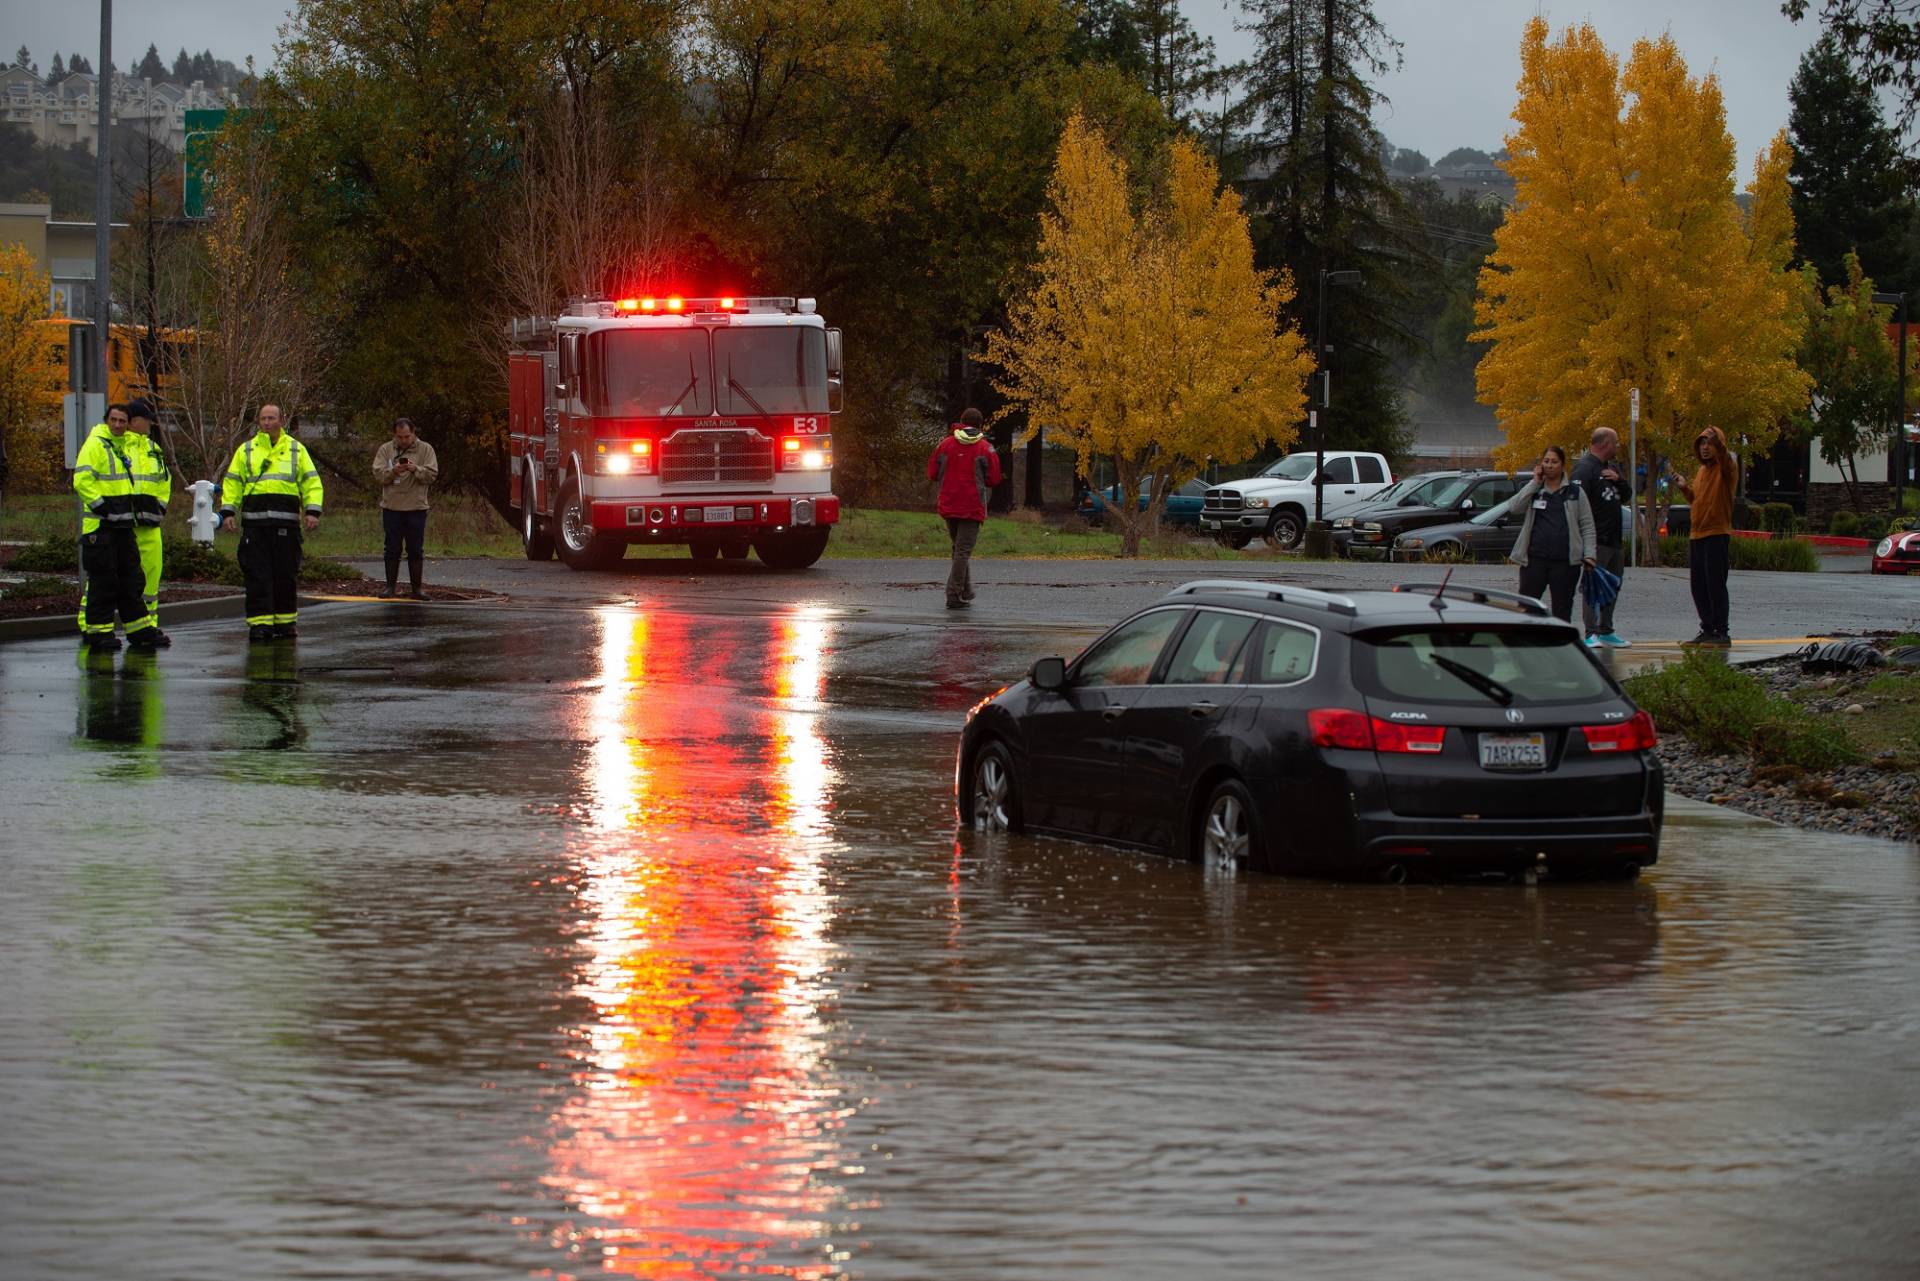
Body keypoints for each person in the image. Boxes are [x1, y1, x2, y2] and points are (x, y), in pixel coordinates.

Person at [219, 404, 324, 642]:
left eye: (271, 418)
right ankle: (260, 625)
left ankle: (286, 623)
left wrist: (312, 511)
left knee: (286, 575)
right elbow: (233, 482)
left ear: (281, 420)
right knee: (257, 576)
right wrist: (228, 512)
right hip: (255, 527)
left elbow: (311, 482)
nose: (267, 422)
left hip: (286, 525)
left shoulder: (296, 450)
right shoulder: (246, 451)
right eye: (263, 418)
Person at [72, 403, 154, 651]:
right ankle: (99, 633)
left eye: (122, 421)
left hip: (123, 525)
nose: (118, 424)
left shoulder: (124, 446)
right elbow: (82, 480)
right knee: (103, 581)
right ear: (106, 420)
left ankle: (139, 630)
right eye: (114, 420)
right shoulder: (96, 444)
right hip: (100, 527)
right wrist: (102, 508)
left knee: (131, 579)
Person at [1497, 444, 1596, 623]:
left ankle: (1560, 646)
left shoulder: (1575, 492)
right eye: (1546, 461)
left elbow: (1587, 526)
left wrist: (1589, 554)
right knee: (1527, 608)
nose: (1549, 465)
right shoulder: (1535, 489)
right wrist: (1534, 482)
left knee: (1562, 609)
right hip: (1534, 560)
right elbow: (1514, 507)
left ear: (1563, 465)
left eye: (1554, 462)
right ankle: (1526, 645)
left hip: (1565, 563)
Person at [927, 407, 1001, 609]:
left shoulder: (945, 445)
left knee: (958, 549)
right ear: (980, 425)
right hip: (972, 505)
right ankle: (953, 593)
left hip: (948, 504)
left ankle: (965, 590)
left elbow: (932, 472)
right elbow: (994, 478)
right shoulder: (985, 448)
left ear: (961, 421)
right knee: (962, 551)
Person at [1674, 425, 1737, 647]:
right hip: (1697, 534)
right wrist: (1684, 489)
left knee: (1715, 584)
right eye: (1701, 443)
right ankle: (1707, 629)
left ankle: (1722, 632)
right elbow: (1697, 502)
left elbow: (1726, 458)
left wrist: (1718, 442)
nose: (1705, 448)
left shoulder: (1726, 468)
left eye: (1709, 443)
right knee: (1698, 585)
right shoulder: (1701, 472)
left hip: (1717, 533)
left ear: (1718, 445)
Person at [1571, 426, 1631, 649]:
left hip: (1614, 541)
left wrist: (1619, 480)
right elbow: (1574, 503)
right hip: (1596, 540)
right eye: (1615, 442)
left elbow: (1627, 496)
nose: (1617, 446)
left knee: (1612, 585)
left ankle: (1606, 630)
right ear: (1605, 443)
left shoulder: (1610, 469)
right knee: (1593, 586)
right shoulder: (1584, 469)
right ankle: (1591, 632)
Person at [124, 399, 173, 647]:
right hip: (125, 525)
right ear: (134, 421)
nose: (151, 423)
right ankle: (92, 627)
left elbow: (164, 481)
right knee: (114, 579)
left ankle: (148, 626)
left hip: (150, 524)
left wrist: (160, 508)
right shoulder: (119, 447)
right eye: (147, 419)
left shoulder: (154, 448)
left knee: (151, 581)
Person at [371, 416, 438, 598]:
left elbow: (432, 475)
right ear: (395, 435)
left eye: (407, 436)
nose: (403, 440)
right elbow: (378, 474)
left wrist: (415, 469)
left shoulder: (425, 449)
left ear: (413, 433)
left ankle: (416, 589)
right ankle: (390, 587)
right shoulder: (386, 450)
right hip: (392, 508)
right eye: (400, 437)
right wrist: (394, 471)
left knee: (415, 550)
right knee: (392, 549)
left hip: (416, 508)